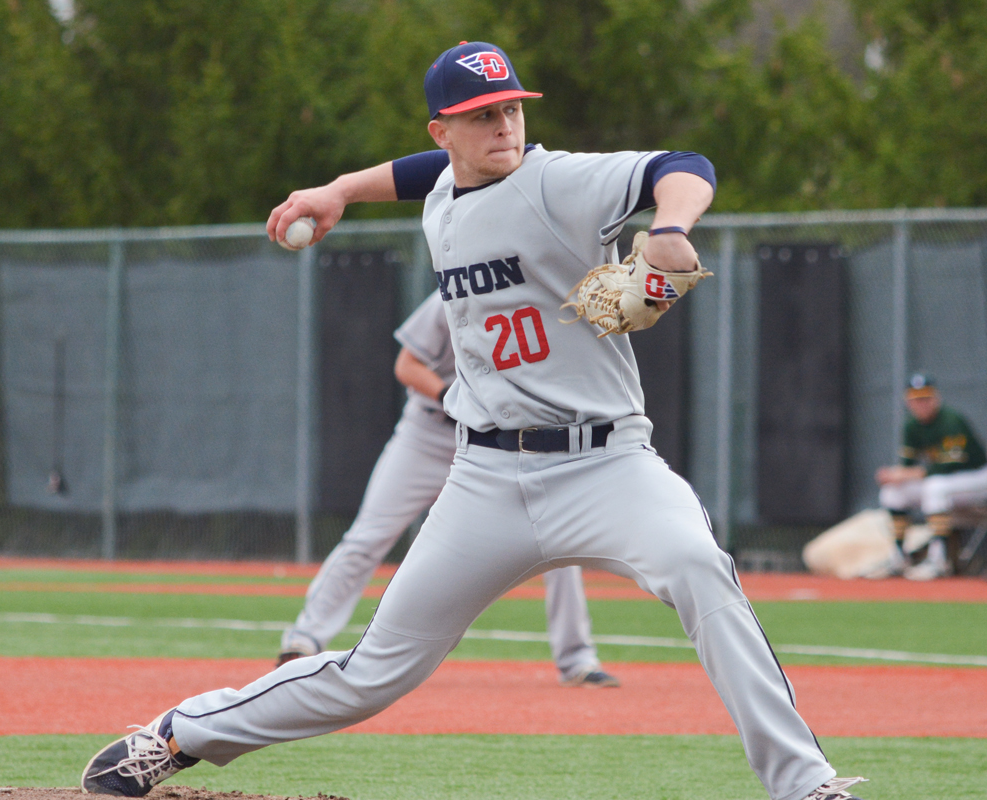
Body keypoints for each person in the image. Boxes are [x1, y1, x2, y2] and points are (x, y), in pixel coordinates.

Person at [81, 42, 867, 800]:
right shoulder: (443, 195)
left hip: (607, 466)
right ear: (444, 129)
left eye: (512, 108)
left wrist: (669, 229)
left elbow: (684, 168)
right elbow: (427, 175)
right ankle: (178, 735)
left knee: (701, 568)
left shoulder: (561, 182)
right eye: (482, 114)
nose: (505, 126)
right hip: (484, 479)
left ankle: (807, 787)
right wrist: (340, 190)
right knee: (371, 675)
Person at [278, 293, 619, 688]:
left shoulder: (540, 294)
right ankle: (303, 639)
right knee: (368, 535)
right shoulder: (460, 289)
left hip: (504, 446)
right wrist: (451, 399)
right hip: (429, 436)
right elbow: (407, 365)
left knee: (560, 543)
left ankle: (577, 659)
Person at [875, 373, 987, 580]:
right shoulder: (911, 426)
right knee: (892, 491)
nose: (921, 404)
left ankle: (939, 560)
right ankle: (899, 556)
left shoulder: (951, 420)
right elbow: (908, 465)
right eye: (916, 399)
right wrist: (894, 475)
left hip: (978, 479)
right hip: (948, 482)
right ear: (908, 401)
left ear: (936, 398)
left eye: (926, 398)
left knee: (935, 486)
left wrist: (902, 474)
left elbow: (948, 466)